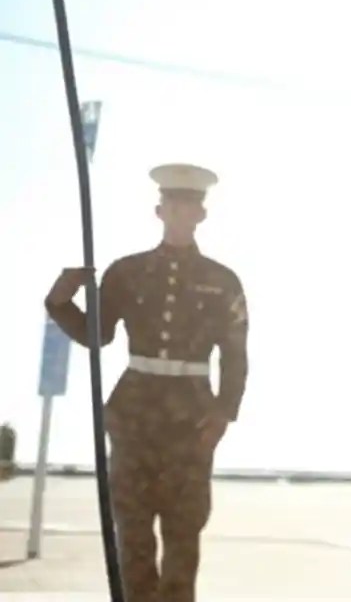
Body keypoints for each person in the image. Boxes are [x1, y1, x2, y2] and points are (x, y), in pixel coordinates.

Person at [44, 163, 249, 602]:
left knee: (183, 533)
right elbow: (96, 335)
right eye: (173, 206)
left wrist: (223, 414)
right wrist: (61, 300)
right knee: (132, 531)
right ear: (160, 211)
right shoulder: (126, 273)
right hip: (134, 417)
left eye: (189, 207)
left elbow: (235, 355)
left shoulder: (223, 281)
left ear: (201, 216)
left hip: (192, 421)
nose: (180, 214)